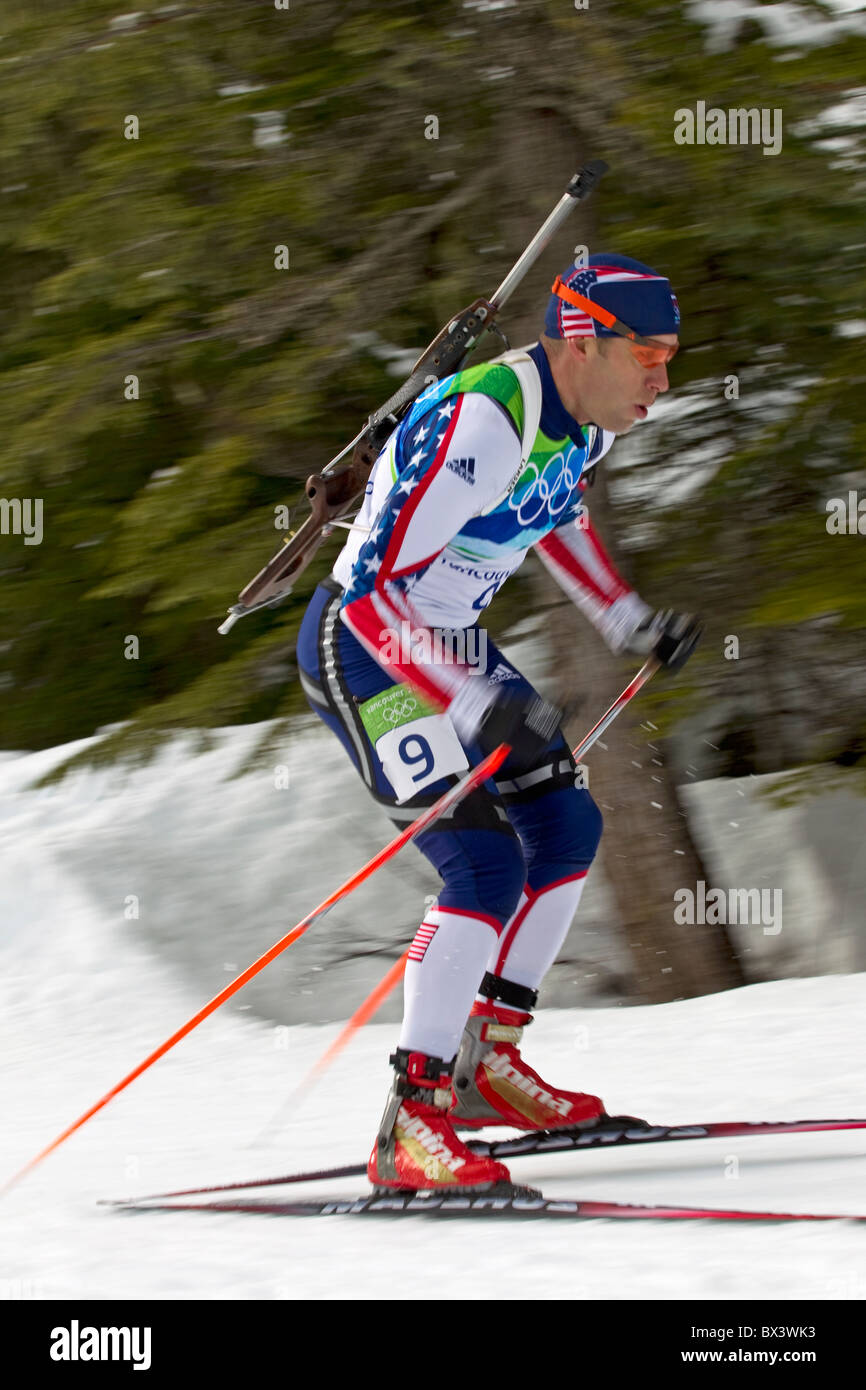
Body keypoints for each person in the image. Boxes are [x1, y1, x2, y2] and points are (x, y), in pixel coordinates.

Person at [296, 254, 700, 1193]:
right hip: (365, 652)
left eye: (672, 356)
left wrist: (626, 620)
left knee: (566, 826)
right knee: (484, 866)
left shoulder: (587, 423)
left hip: (444, 640)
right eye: (648, 354)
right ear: (583, 341)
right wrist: (476, 701)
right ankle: (412, 1124)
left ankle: (490, 1066)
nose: (662, 379)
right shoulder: (483, 420)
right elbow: (370, 598)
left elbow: (553, 517)